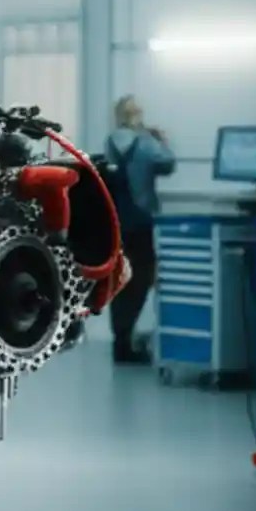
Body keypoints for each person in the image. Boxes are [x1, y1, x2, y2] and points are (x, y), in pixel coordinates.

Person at [105, 95, 175, 364]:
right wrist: (161, 140)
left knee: (120, 280)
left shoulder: (110, 141)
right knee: (142, 278)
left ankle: (120, 340)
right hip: (140, 219)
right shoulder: (145, 142)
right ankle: (130, 341)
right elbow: (168, 163)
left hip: (116, 221)